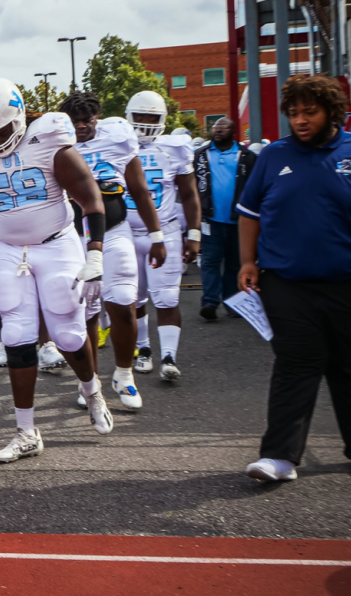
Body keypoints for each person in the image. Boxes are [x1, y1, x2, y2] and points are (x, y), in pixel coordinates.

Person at [236, 74, 351, 481]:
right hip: (287, 282)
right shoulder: (273, 157)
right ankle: (280, 458)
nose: (300, 120)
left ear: (331, 111)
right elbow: (249, 214)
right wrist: (247, 261)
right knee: (295, 363)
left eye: (310, 111)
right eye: (293, 113)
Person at [0, 77, 113, 462]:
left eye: (0, 131)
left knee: (69, 332)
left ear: (19, 118)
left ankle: (92, 391)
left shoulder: (49, 141)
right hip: (7, 248)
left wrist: (95, 253)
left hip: (56, 244)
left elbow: (91, 197)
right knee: (17, 335)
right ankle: (26, 432)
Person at [59, 90, 166, 410]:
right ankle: (89, 382)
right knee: (85, 313)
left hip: (116, 232)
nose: (81, 126)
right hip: (74, 239)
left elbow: (139, 189)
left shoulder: (117, 136)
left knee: (123, 304)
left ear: (97, 117)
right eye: (75, 121)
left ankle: (124, 374)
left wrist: (157, 235)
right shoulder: (56, 143)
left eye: (86, 120)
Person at [123, 91, 202, 380]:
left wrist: (194, 234)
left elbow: (190, 194)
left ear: (162, 119)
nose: (144, 123)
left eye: (151, 117)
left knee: (167, 298)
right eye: (139, 117)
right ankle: (143, 350)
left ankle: (169, 357)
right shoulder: (118, 145)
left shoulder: (175, 147)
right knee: (133, 297)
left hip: (166, 228)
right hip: (126, 232)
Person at [194, 118, 257, 320]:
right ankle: (210, 303)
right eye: (215, 128)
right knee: (210, 261)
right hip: (210, 219)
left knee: (234, 263)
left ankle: (233, 303)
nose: (218, 131)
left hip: (239, 221)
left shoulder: (247, 156)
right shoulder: (200, 155)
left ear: (233, 131)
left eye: (223, 128)